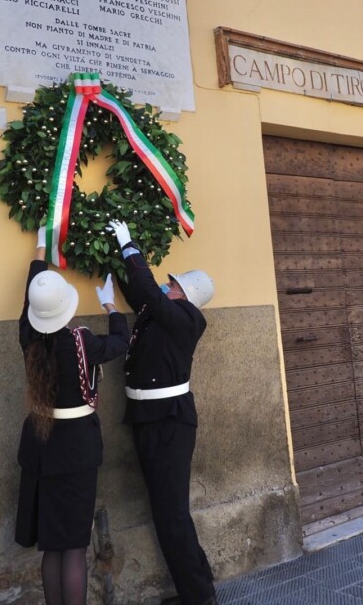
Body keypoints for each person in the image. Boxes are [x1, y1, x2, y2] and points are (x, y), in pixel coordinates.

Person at [15, 228, 129, 605]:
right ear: (66, 305)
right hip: (77, 450)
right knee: (75, 549)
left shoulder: (28, 336)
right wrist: (111, 307)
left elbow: (33, 291)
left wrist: (40, 249)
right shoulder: (82, 341)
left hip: (41, 445)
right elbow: (120, 344)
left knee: (51, 548)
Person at [109, 220, 217, 605]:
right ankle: (199, 586)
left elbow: (150, 297)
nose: (165, 287)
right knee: (166, 511)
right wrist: (113, 259)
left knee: (172, 516)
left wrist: (131, 245)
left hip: (171, 422)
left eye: (172, 285)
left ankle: (200, 598)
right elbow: (141, 293)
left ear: (184, 296)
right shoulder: (162, 312)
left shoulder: (188, 319)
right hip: (147, 419)